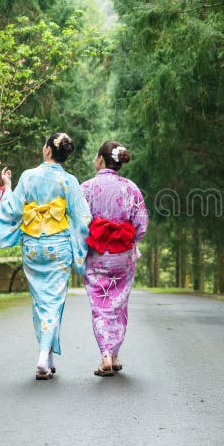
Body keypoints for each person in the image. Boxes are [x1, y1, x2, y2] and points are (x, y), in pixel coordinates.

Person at [0, 133, 91, 380]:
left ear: (47, 151)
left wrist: (7, 188)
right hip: (58, 247)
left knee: (40, 302)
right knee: (54, 302)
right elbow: (83, 219)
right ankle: (44, 356)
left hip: (32, 246)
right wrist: (81, 250)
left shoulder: (28, 176)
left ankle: (49, 355)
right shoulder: (70, 181)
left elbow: (12, 209)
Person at [81, 141, 148, 376]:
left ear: (101, 159)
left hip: (98, 254)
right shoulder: (131, 188)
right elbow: (141, 225)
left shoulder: (86, 188)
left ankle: (106, 357)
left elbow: (79, 224)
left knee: (101, 306)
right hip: (123, 255)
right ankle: (115, 354)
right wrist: (129, 240)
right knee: (118, 305)